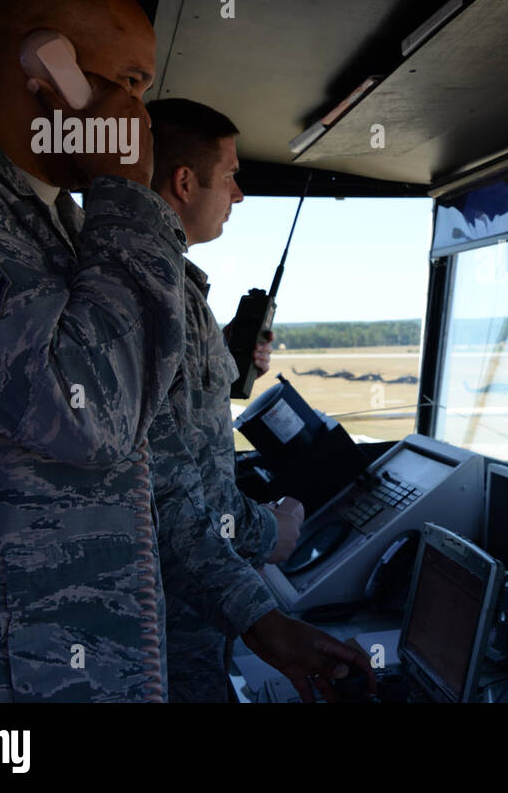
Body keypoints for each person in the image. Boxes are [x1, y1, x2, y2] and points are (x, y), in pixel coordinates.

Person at [0, 0, 369, 701]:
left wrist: (260, 621)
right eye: (132, 83)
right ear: (47, 72)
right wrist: (129, 190)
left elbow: (146, 472)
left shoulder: (64, 230)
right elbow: (91, 414)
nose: (140, 115)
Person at [144, 97, 308, 701]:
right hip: (174, 613)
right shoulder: (161, 290)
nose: (238, 194)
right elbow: (170, 489)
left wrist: (229, 357)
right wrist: (271, 532)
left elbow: (177, 421)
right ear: (185, 182)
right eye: (231, 176)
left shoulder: (165, 284)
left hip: (182, 597)